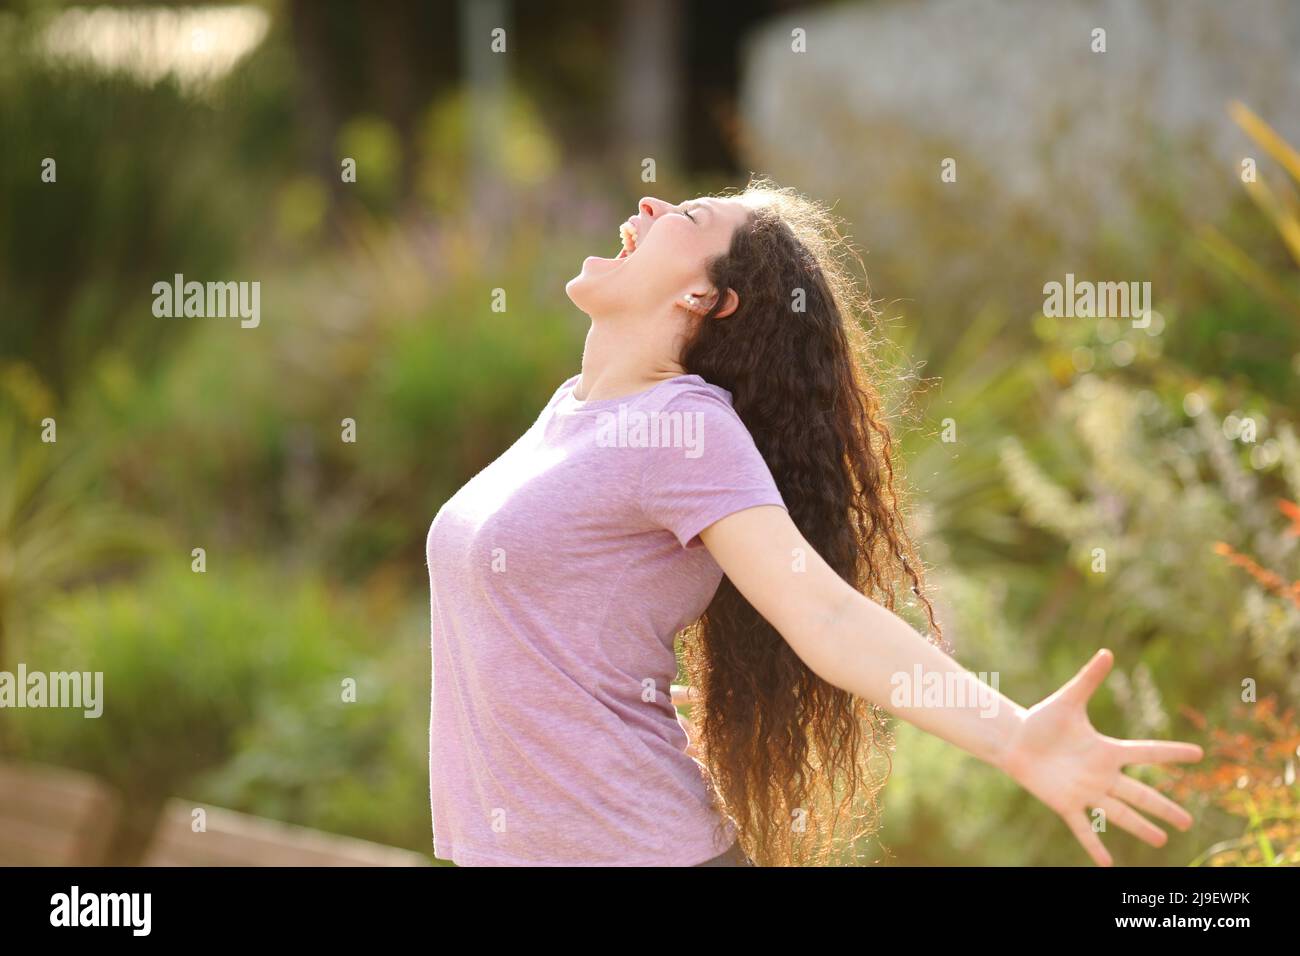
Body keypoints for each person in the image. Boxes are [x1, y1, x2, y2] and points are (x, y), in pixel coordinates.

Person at [426, 177, 1203, 867]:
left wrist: (1013, 736)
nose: (648, 206)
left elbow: (824, 611)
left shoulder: (684, 428)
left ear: (705, 297)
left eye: (686, 215)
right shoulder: (573, 411)